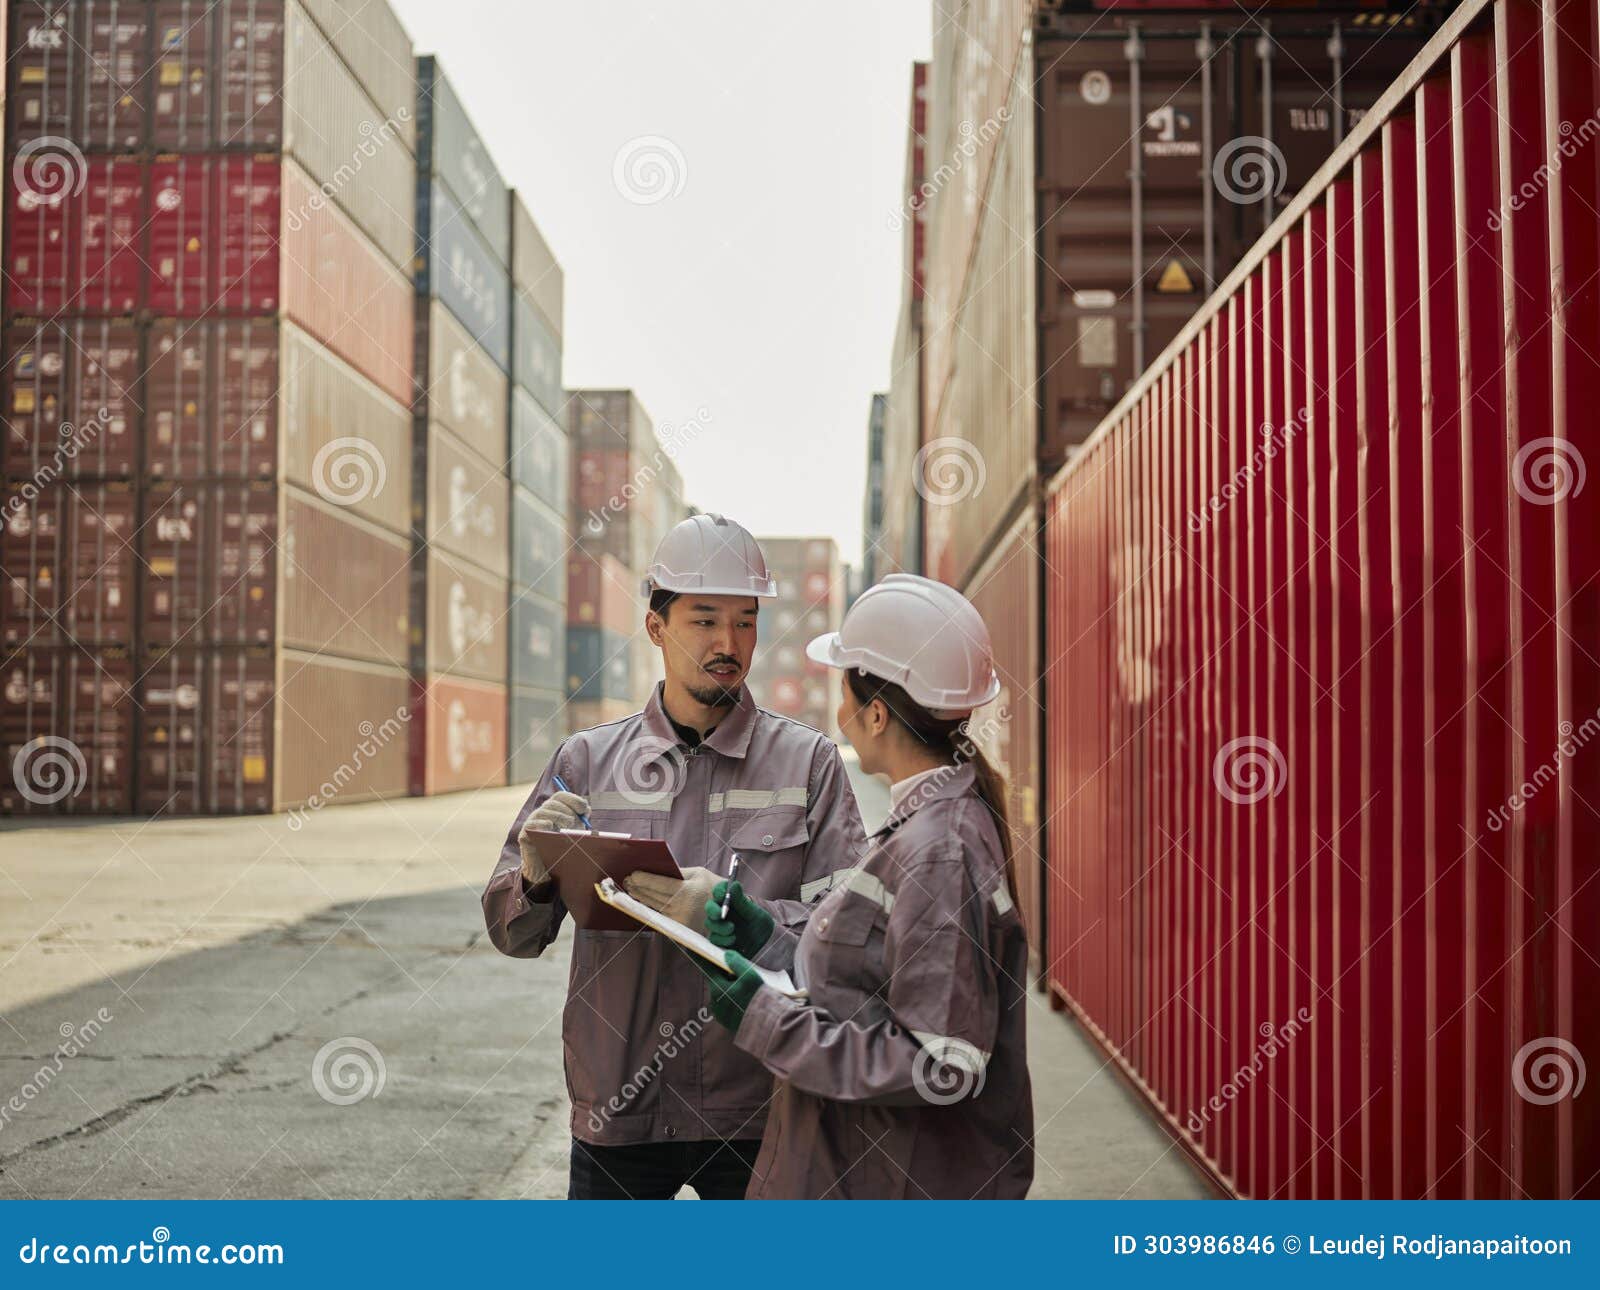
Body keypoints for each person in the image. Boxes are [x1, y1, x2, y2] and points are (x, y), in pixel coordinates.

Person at [482, 513, 867, 1199]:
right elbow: (513, 935)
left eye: (745, 621)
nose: (728, 643)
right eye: (704, 620)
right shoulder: (587, 761)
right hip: (620, 1111)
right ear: (656, 626)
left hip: (756, 1101)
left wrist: (736, 912)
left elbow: (849, 941)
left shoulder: (808, 765)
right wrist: (536, 879)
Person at [689, 573, 1034, 1199]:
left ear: (875, 713)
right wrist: (772, 939)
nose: (838, 705)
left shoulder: (940, 851)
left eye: (844, 682)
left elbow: (941, 1064)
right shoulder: (928, 822)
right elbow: (875, 976)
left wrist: (766, 1021)